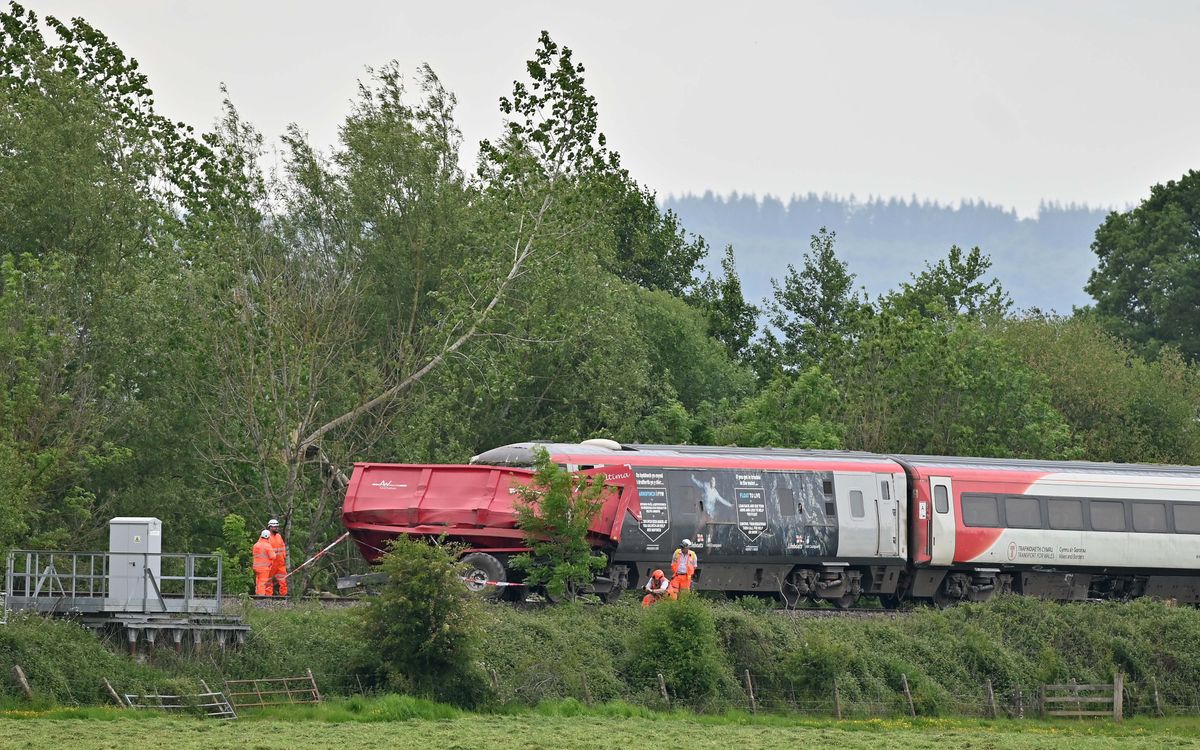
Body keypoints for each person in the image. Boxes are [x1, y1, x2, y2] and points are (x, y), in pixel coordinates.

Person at [267, 518, 288, 596]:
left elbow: (283, 546)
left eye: (277, 527)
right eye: (275, 527)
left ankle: (284, 596)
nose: (277, 528)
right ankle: (268, 597)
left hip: (280, 563)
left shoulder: (279, 536)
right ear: (270, 527)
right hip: (271, 563)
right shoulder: (267, 536)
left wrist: (284, 556)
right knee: (268, 581)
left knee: (283, 581)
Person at [252, 530, 275, 596]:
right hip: (264, 568)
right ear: (268, 537)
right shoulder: (267, 546)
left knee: (258, 581)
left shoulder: (256, 545)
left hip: (256, 567)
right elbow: (273, 556)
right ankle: (260, 597)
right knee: (262, 583)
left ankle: (257, 594)